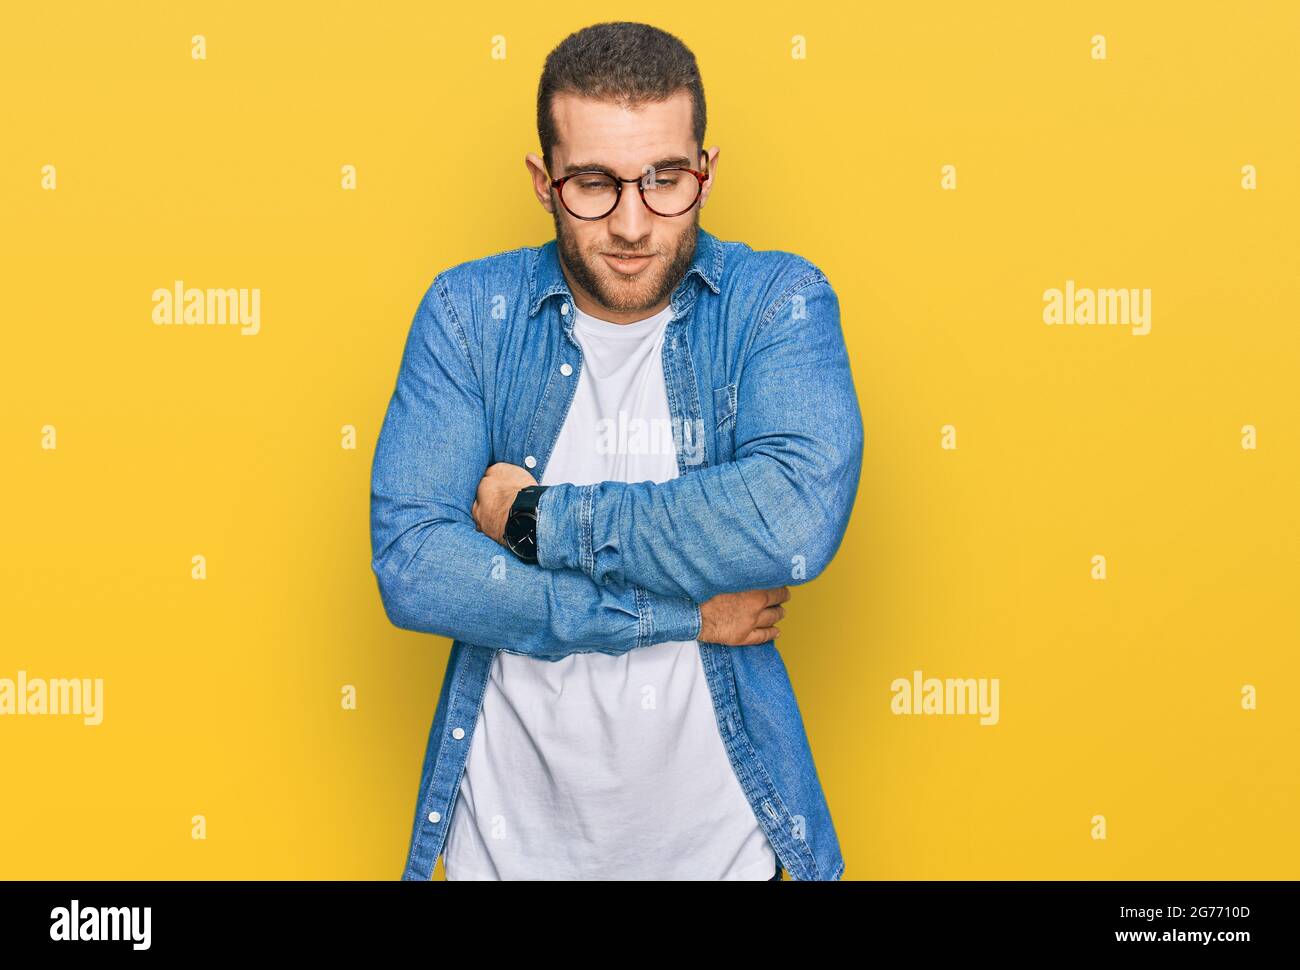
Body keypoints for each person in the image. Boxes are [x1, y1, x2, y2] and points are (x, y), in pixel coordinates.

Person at [370, 20, 863, 881]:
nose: (634, 224)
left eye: (666, 179)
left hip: (726, 854)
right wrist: (679, 615)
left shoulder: (776, 304)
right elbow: (414, 569)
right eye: (594, 184)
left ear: (707, 170)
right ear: (543, 180)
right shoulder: (466, 314)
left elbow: (793, 521)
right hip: (504, 852)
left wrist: (533, 520)